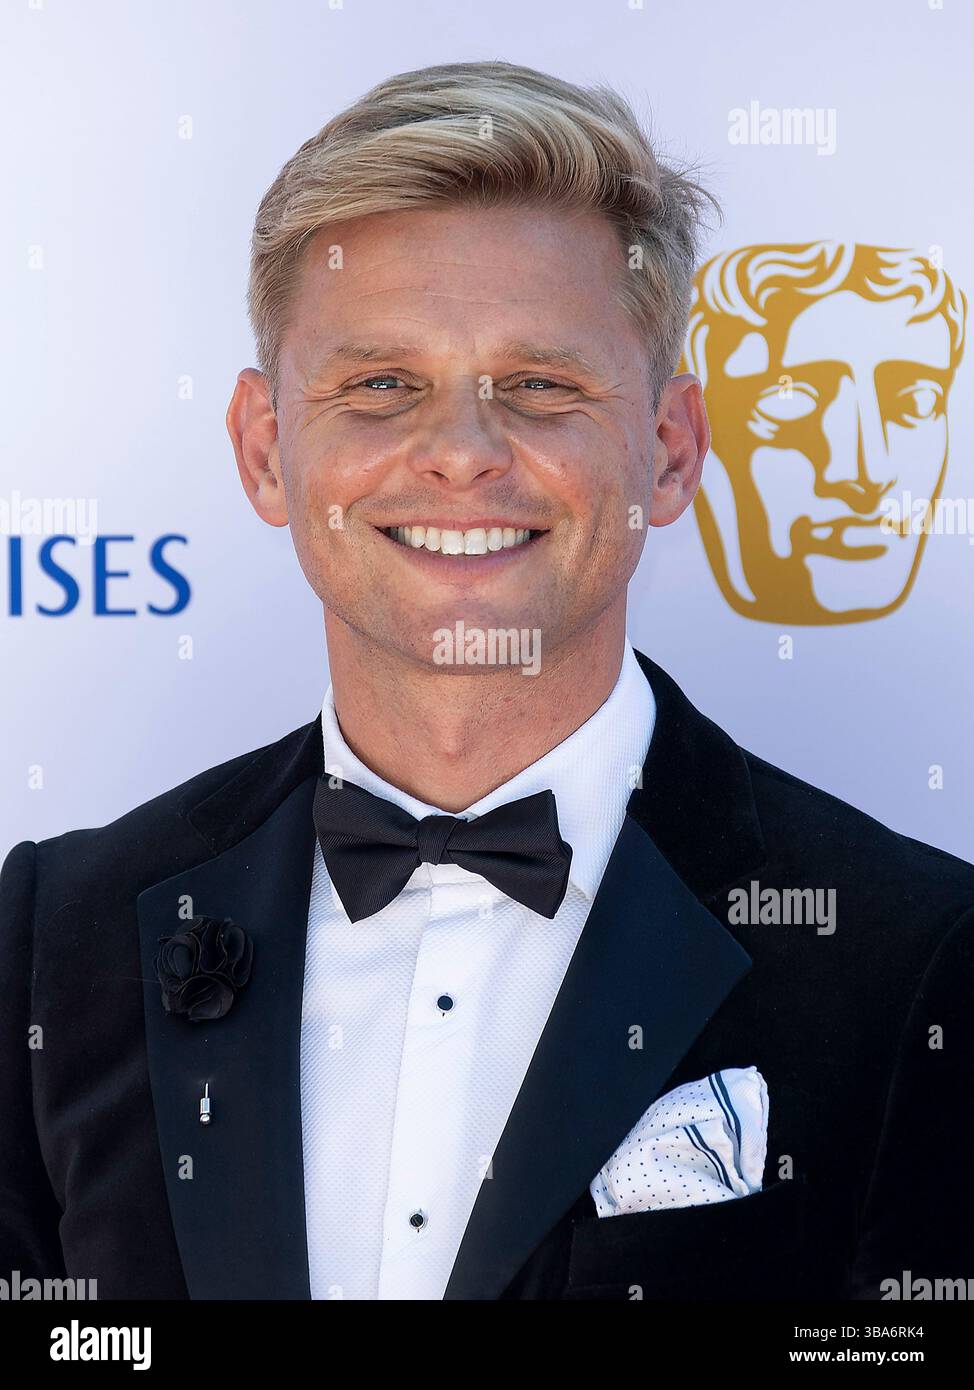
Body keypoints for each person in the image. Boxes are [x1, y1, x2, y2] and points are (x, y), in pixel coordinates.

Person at [2, 60, 972, 1302]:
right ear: (264, 451)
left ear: (668, 452)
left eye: (539, 386)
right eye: (380, 386)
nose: (460, 452)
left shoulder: (911, 957)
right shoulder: (57, 935)